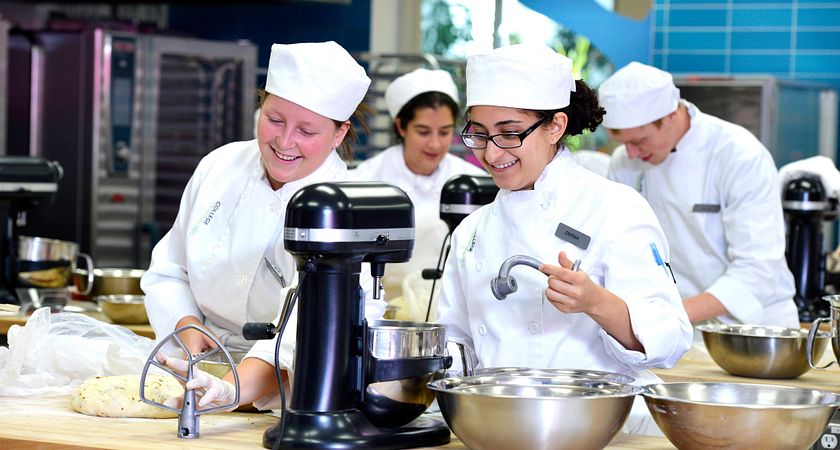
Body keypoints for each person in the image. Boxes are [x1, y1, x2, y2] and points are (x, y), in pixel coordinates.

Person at [435, 43, 692, 434]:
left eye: (509, 134)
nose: (490, 153)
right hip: (502, 427)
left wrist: (596, 302)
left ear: (555, 126)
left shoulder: (615, 208)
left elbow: (671, 340)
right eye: (480, 134)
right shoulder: (473, 229)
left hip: (606, 430)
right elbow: (454, 340)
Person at [143, 41, 383, 408]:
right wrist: (187, 324)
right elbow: (170, 271)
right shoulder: (219, 167)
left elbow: (313, 327)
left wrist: (231, 388)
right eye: (274, 120)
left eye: (307, 131)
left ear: (339, 133)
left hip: (290, 398)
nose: (284, 142)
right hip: (194, 370)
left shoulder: (349, 209)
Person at [600, 62, 799, 328]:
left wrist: (669, 316)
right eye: (624, 143)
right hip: (675, 328)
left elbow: (758, 270)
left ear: (671, 115)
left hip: (753, 330)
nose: (632, 153)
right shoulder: (623, 163)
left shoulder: (738, 155)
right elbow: (621, 249)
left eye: (639, 141)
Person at [352, 68, 485, 321]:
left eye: (444, 132)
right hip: (381, 311)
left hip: (453, 310)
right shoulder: (366, 180)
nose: (435, 144)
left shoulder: (472, 183)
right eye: (423, 132)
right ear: (401, 126)